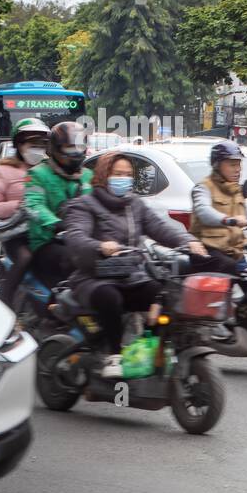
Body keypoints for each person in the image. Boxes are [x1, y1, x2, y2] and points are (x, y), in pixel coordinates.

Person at [61, 152, 207, 379]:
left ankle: (149, 351)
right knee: (111, 298)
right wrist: (100, 246)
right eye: (118, 174)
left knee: (164, 294)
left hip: (130, 275)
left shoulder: (135, 205)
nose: (124, 179)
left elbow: (160, 229)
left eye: (128, 175)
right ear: (103, 175)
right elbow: (76, 237)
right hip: (94, 277)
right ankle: (115, 355)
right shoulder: (84, 205)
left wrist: (189, 242)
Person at [0, 118, 51, 306]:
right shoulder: (5, 171)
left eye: (42, 145)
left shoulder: (50, 171)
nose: (37, 149)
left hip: (46, 230)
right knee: (25, 258)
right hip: (17, 234)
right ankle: (4, 302)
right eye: (33, 144)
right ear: (19, 145)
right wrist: (21, 205)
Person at [25, 121, 93, 288]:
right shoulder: (37, 174)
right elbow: (33, 205)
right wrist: (56, 224)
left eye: (79, 146)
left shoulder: (88, 176)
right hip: (47, 240)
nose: (76, 152)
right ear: (55, 148)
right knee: (71, 260)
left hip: (82, 239)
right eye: (70, 147)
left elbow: (99, 204)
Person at [189, 140, 247, 278]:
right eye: (232, 164)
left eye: (239, 164)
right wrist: (229, 220)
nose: (237, 169)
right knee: (232, 272)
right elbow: (204, 211)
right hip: (208, 251)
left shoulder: (237, 190)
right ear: (217, 165)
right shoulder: (203, 187)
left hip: (236, 253)